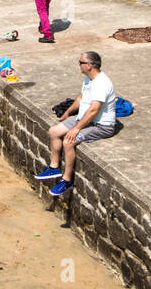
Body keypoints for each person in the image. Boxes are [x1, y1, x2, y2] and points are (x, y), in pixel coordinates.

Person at [35, 51, 120, 197]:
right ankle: (54, 167)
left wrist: (76, 128)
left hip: (101, 125)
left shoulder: (101, 83)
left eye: (80, 63)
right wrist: (68, 113)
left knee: (69, 140)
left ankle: (66, 180)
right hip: (83, 118)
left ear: (89, 65)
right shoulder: (89, 78)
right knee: (54, 131)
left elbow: (93, 110)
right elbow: (81, 98)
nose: (78, 65)